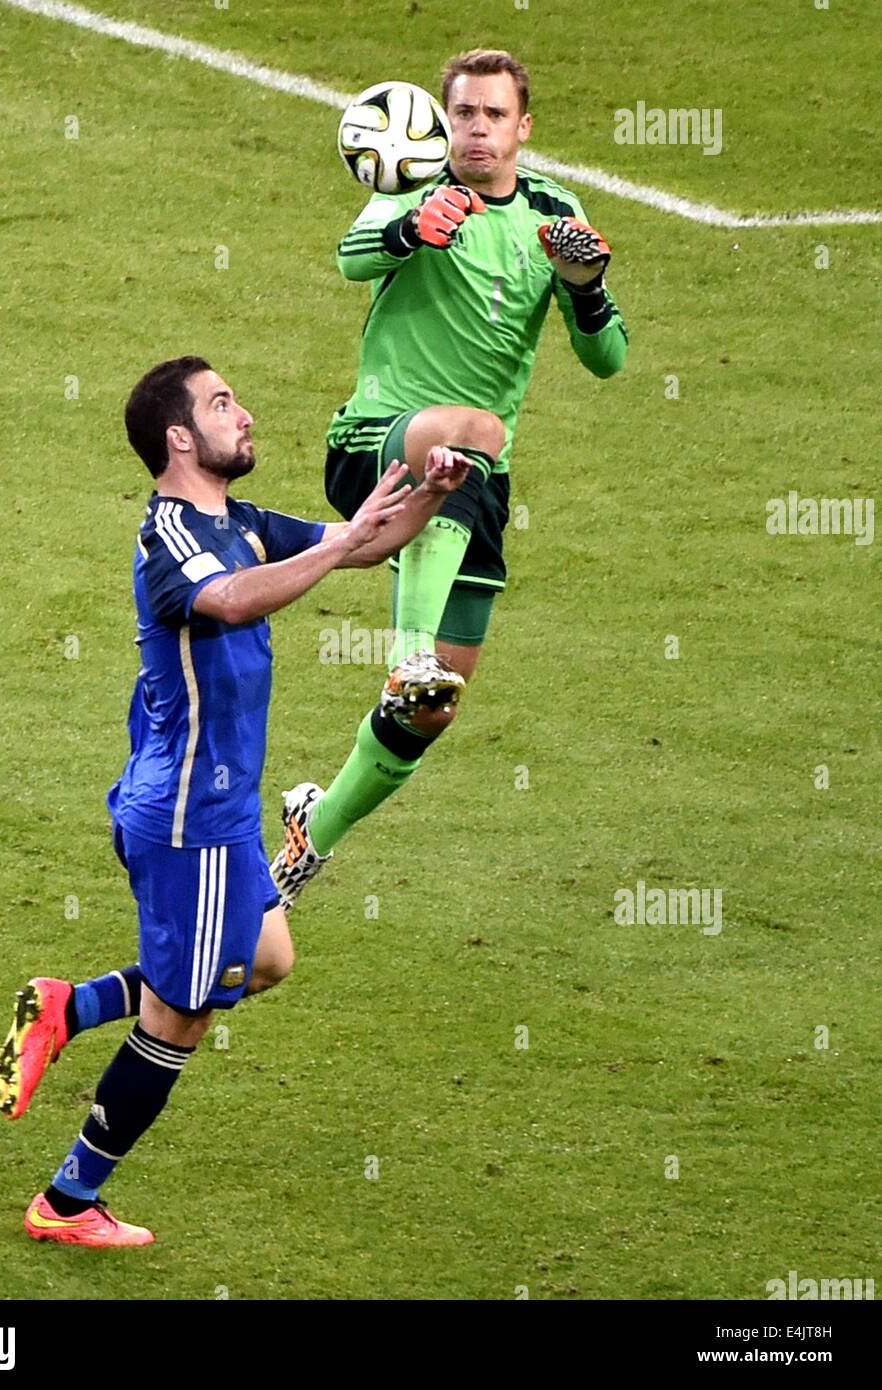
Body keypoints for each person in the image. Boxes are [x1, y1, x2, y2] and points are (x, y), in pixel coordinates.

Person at [0, 354, 471, 1246]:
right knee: (185, 1013)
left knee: (268, 956)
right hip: (186, 818)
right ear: (180, 437)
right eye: (222, 403)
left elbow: (360, 541)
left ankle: (72, 1005)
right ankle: (66, 1202)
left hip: (216, 808)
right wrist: (335, 545)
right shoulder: (173, 535)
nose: (244, 413)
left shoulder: (240, 521)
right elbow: (234, 603)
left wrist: (434, 492)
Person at [270, 48, 629, 909]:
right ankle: (407, 652)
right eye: (463, 113)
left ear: (523, 127)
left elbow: (609, 360)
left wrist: (586, 287)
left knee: (431, 714)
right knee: (474, 429)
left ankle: (305, 845)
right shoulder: (417, 189)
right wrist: (409, 229)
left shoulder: (555, 212)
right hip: (374, 442)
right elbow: (352, 256)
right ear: (443, 119)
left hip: (472, 489)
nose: (476, 130)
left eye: (494, 115)